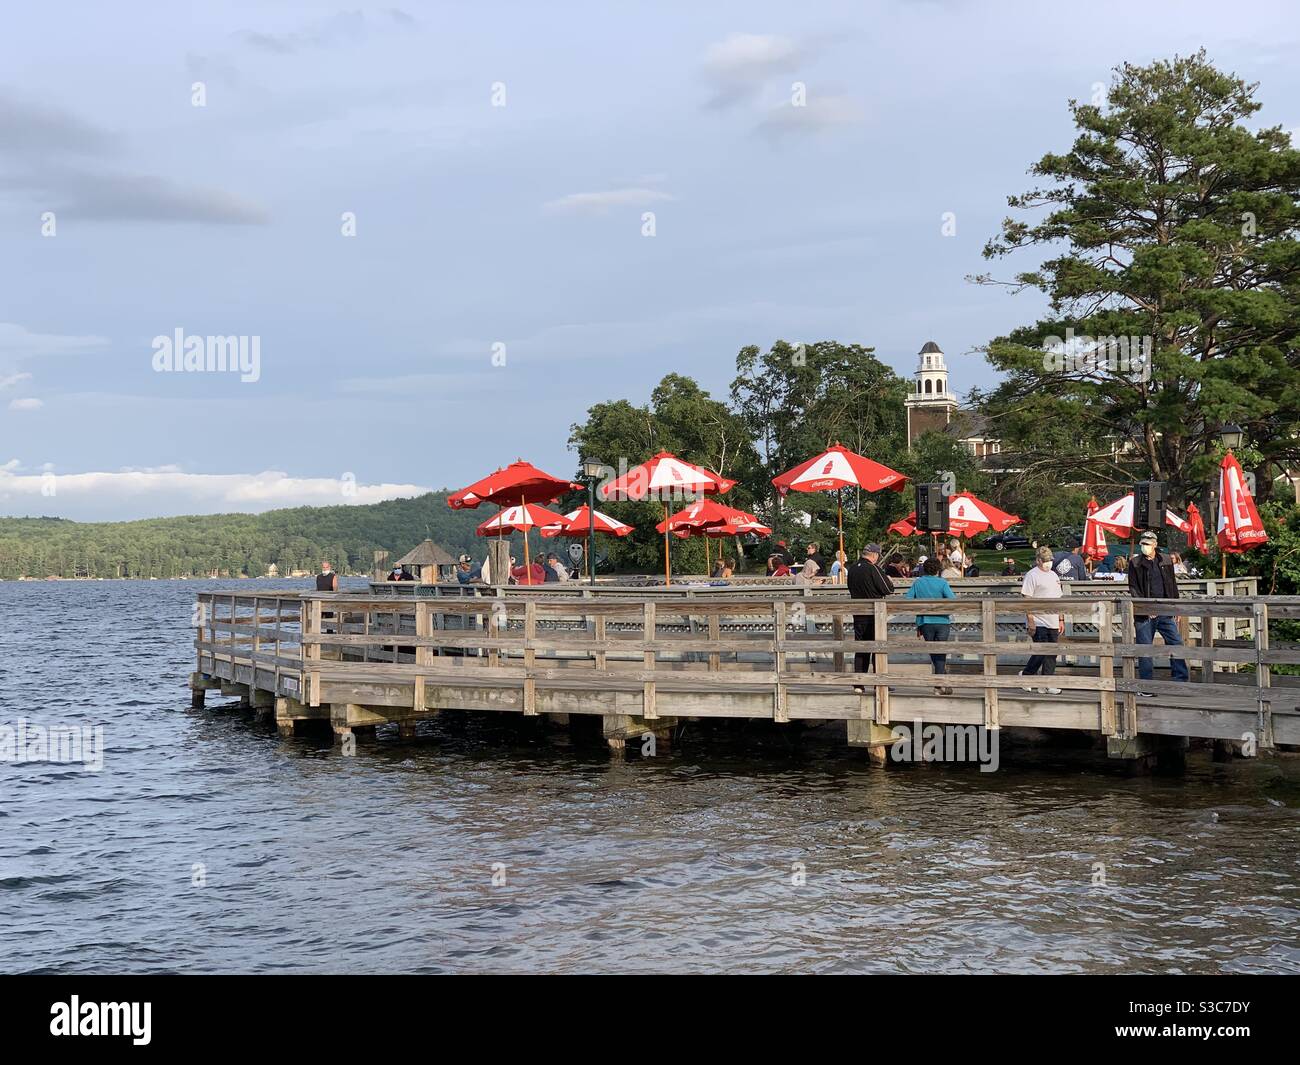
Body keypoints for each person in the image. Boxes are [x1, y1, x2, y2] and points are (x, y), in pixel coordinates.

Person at [1128, 530, 1189, 688]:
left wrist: (1176, 608)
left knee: (1176, 642)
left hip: (1165, 609)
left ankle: (1180, 678)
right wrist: (1145, 607)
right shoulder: (1135, 563)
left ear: (1155, 545)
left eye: (1148, 544)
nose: (1144, 546)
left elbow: (1172, 585)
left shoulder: (1166, 560)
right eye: (1143, 544)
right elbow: (1133, 588)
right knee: (1145, 648)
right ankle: (1146, 684)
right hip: (1145, 613)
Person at [904, 556, 956, 695]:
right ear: (938, 569)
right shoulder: (942, 583)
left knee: (934, 651)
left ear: (924, 569)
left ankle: (941, 681)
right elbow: (952, 600)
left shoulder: (918, 583)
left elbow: (907, 600)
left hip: (925, 621)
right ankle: (939, 684)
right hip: (942, 621)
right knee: (940, 651)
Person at [847, 543, 894, 692]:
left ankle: (859, 683)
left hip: (858, 613)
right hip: (875, 614)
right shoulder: (873, 568)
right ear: (874, 555)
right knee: (877, 648)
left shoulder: (852, 569)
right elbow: (888, 589)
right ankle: (878, 682)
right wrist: (889, 580)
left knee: (861, 648)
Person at [1018, 546, 1064, 694]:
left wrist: (1061, 618)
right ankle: (1027, 676)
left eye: (1050, 560)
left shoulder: (1054, 576)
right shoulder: (1032, 575)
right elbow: (1026, 598)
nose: (1048, 563)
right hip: (1038, 619)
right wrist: (1030, 619)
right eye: (1045, 561)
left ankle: (1047, 683)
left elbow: (1059, 599)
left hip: (1053, 619)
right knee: (1040, 651)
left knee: (1052, 652)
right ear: (1038, 560)